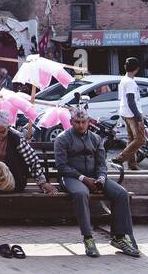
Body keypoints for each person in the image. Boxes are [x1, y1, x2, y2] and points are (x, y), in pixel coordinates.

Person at [55, 107, 139, 257]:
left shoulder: (96, 138)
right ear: (71, 122)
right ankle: (88, 238)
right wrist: (83, 179)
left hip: (94, 176)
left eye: (83, 122)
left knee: (121, 194)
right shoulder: (62, 139)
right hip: (72, 178)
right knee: (81, 193)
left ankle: (119, 237)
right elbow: (61, 167)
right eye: (77, 122)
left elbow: (101, 164)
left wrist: (100, 178)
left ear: (88, 122)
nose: (81, 125)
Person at [113, 57, 147, 171]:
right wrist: (138, 118)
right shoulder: (130, 82)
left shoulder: (124, 80)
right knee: (140, 139)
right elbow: (131, 101)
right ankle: (119, 159)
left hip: (125, 113)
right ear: (137, 69)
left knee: (131, 138)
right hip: (132, 114)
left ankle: (132, 164)